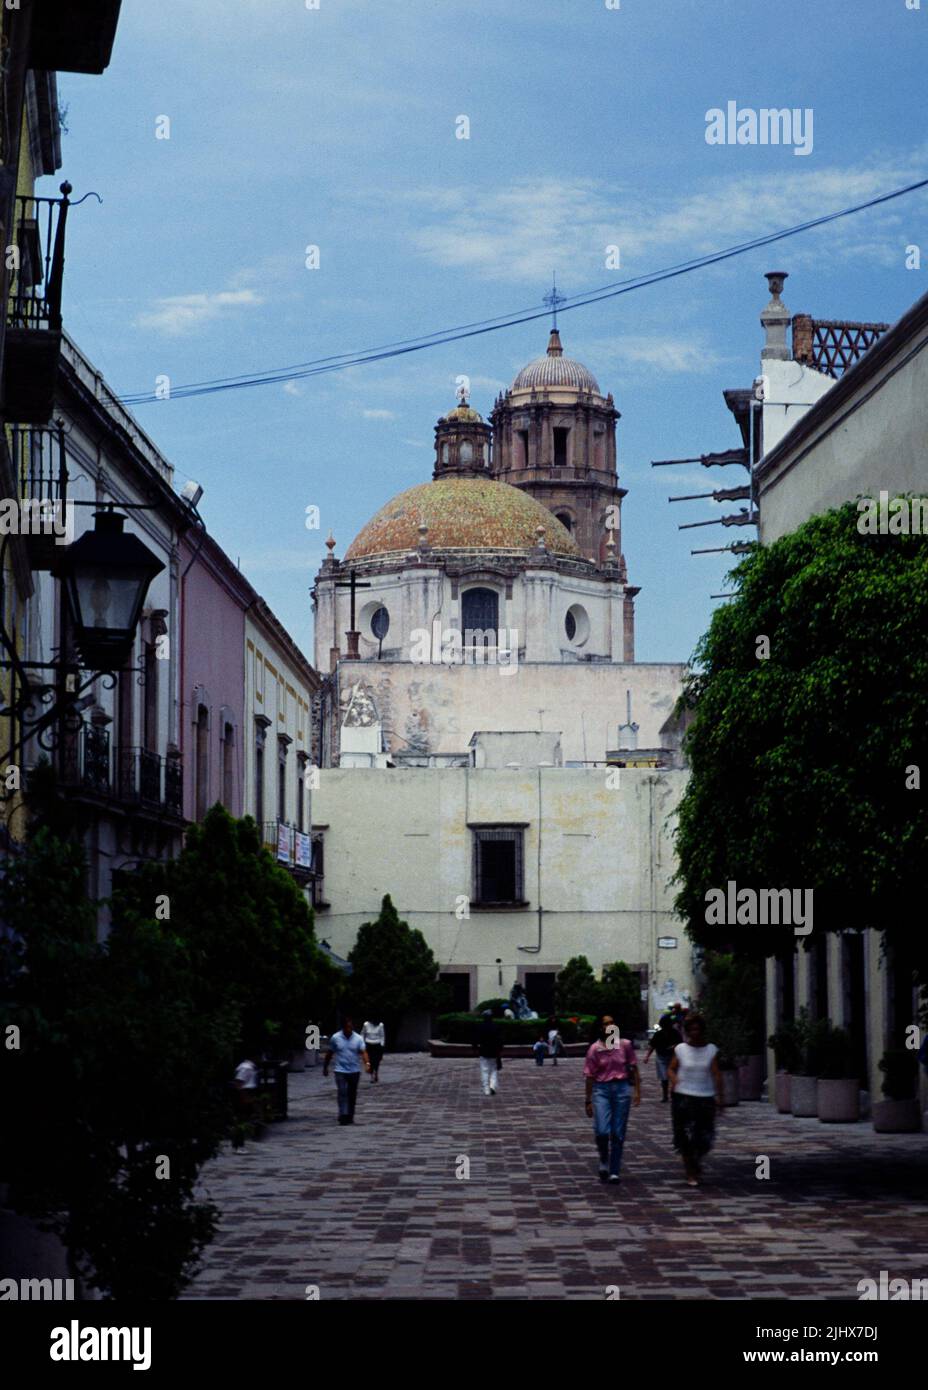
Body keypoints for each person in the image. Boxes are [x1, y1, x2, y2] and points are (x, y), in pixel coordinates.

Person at [667, 1012, 723, 1186]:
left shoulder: (711, 1050)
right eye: (691, 1030)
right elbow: (671, 1068)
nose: (695, 1033)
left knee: (703, 1136)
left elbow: (716, 1073)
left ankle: (696, 1161)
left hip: (704, 1097)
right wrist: (674, 1079)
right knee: (683, 1135)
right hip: (683, 1096)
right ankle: (690, 1171)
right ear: (687, 1032)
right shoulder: (681, 1049)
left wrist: (720, 1096)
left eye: (697, 1029)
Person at [583, 1015, 640, 1183]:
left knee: (618, 1132)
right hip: (602, 1090)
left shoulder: (625, 1045)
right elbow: (589, 1076)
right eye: (605, 1023)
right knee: (602, 1130)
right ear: (600, 1028)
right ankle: (603, 1158)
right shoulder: (595, 1049)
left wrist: (637, 1090)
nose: (609, 1025)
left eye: (612, 1022)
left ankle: (614, 1170)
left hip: (622, 1088)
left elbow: (634, 1067)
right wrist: (588, 1100)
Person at [323, 1016, 371, 1124]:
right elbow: (330, 1053)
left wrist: (367, 1064)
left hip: (354, 1070)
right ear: (343, 1027)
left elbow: (364, 1052)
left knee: (352, 1093)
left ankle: (350, 1115)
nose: (349, 1029)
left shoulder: (358, 1038)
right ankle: (343, 1114)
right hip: (340, 1070)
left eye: (351, 1027)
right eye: (347, 1027)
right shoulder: (336, 1038)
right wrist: (325, 1067)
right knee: (342, 1092)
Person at [645, 1014, 681, 1103]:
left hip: (672, 1057)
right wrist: (647, 1056)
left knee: (673, 1076)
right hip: (661, 1057)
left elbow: (681, 1043)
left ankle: (673, 1093)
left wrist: (674, 1046)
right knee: (664, 1078)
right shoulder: (658, 1034)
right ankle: (665, 1095)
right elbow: (652, 1046)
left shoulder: (675, 1032)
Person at [473, 1009, 503, 1095]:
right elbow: (500, 1040)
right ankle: (492, 1086)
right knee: (493, 1069)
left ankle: (486, 1089)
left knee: (484, 1070)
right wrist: (500, 1050)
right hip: (494, 1051)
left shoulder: (480, 1026)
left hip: (483, 1051)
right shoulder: (496, 1026)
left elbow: (475, 1039)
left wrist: (475, 1048)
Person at [233, 1055, 258, 1120]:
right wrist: (244, 1096)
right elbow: (239, 1081)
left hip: (247, 1092)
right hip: (245, 1092)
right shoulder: (247, 1067)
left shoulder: (249, 1067)